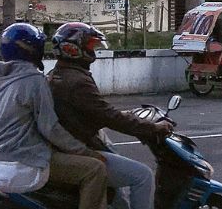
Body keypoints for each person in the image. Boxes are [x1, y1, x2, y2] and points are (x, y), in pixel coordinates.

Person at [48, 22, 172, 209]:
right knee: (142, 176)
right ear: (72, 49)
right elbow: (108, 116)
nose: (93, 51)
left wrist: (128, 116)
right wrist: (151, 127)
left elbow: (94, 111)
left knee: (119, 195)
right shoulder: (77, 81)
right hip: (81, 147)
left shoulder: (58, 75)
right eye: (89, 46)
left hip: (72, 143)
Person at [0, 23, 108, 209]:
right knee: (95, 169)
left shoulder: (0, 85)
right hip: (26, 164)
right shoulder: (34, 81)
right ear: (33, 49)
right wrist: (85, 151)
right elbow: (50, 128)